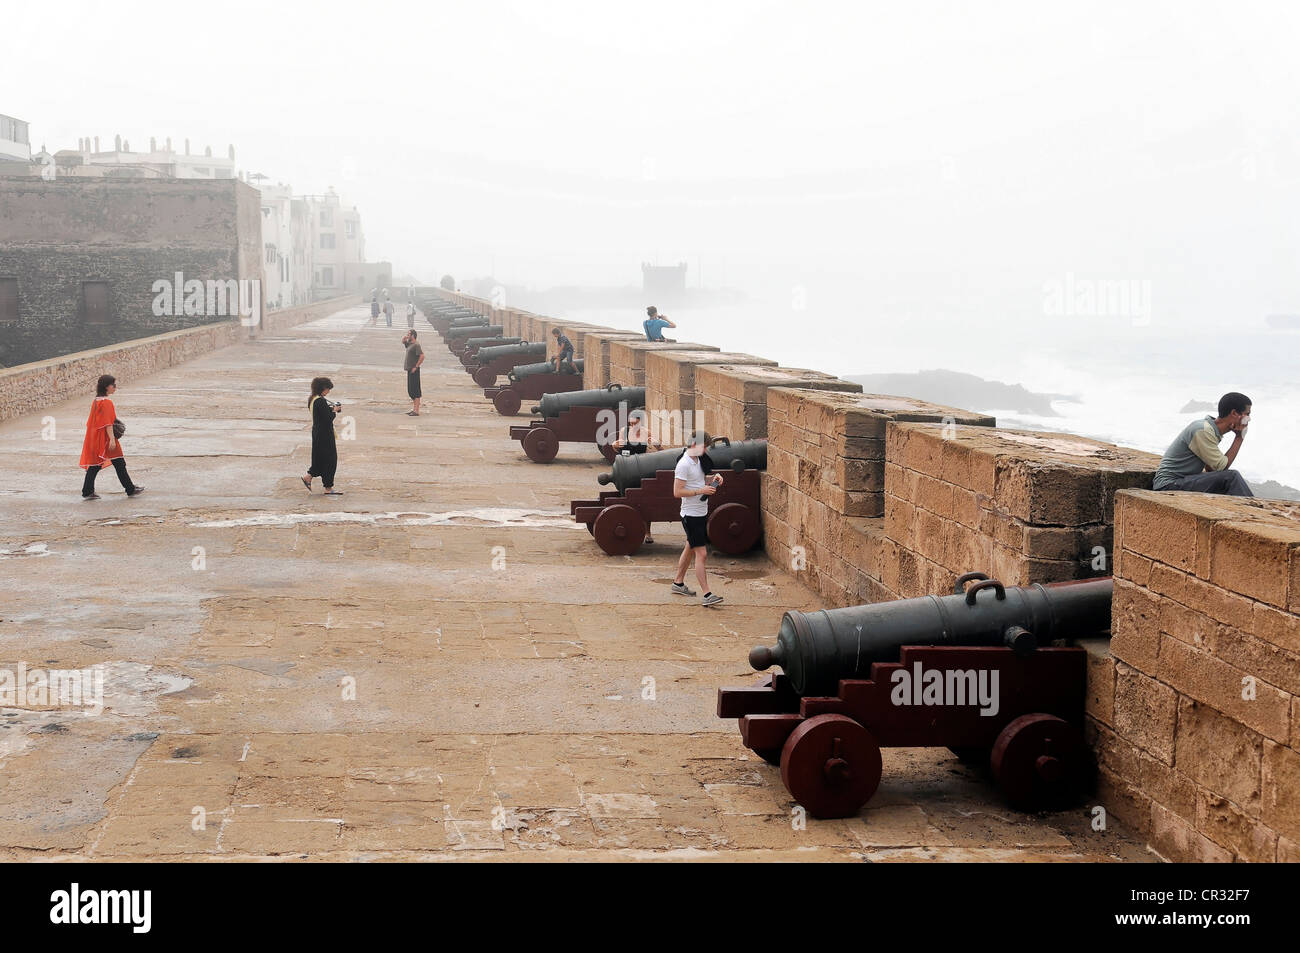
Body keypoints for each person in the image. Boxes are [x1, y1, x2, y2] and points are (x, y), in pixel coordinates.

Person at [1153, 392, 1254, 496]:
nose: (1249, 419)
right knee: (1232, 477)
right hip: (1168, 485)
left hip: (1178, 482)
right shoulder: (1203, 430)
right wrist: (1239, 437)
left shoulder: (1211, 430)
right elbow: (1222, 468)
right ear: (1234, 413)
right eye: (1247, 414)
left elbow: (1212, 469)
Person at [672, 431, 724, 607]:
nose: (706, 450)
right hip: (691, 515)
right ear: (694, 445)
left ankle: (678, 582)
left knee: (690, 547)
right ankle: (707, 594)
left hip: (700, 512)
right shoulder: (684, 464)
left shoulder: (697, 460)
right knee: (701, 554)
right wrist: (700, 491)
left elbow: (698, 479)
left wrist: (714, 478)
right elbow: (677, 492)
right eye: (704, 447)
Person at [79, 374, 143, 499]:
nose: (115, 387)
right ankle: (130, 489)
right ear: (106, 387)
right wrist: (112, 440)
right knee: (118, 463)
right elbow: (108, 423)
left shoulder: (96, 401)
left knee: (96, 464)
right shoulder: (107, 402)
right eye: (113, 385)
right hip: (106, 438)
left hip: (96, 437)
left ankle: (87, 491)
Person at [613, 409, 664, 545]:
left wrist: (657, 445)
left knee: (646, 501)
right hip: (628, 466)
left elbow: (660, 450)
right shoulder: (625, 431)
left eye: (635, 423)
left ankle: (647, 532)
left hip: (642, 468)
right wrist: (615, 446)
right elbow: (618, 446)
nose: (632, 426)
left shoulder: (646, 432)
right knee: (626, 498)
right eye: (631, 423)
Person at [302, 377, 342, 495]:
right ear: (323, 388)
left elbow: (320, 414)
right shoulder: (320, 401)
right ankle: (328, 488)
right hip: (324, 434)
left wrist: (330, 409)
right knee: (330, 460)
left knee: (319, 458)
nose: (328, 391)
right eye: (328, 389)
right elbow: (328, 418)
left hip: (318, 432)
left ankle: (308, 477)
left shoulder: (313, 399)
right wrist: (334, 410)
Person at [403, 330, 425, 415]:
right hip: (409, 369)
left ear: (413, 335)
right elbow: (407, 347)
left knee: (415, 390)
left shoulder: (416, 345)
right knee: (410, 390)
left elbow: (422, 356)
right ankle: (414, 409)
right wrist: (404, 341)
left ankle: (416, 410)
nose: (407, 335)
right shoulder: (411, 344)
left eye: (409, 334)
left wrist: (416, 366)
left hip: (414, 370)